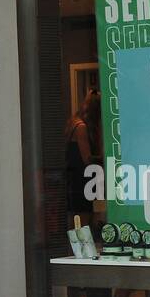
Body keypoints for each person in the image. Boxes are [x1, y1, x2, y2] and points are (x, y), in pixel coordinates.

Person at [64, 89, 101, 224]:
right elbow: (87, 158)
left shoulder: (73, 122)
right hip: (81, 180)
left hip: (73, 177)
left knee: (74, 216)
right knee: (84, 216)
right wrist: (103, 158)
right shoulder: (81, 127)